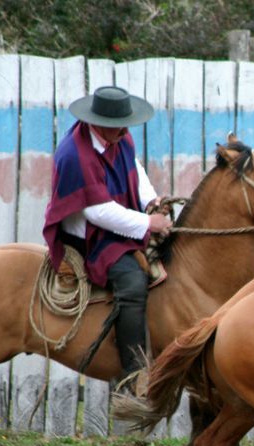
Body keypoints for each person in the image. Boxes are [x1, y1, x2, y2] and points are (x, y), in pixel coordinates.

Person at [43, 85, 172, 383]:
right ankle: (134, 371)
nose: (124, 131)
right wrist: (148, 223)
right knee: (132, 282)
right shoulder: (74, 155)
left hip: (117, 223)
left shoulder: (118, 137)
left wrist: (149, 201)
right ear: (97, 122)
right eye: (117, 126)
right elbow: (97, 212)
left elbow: (134, 170)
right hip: (90, 238)